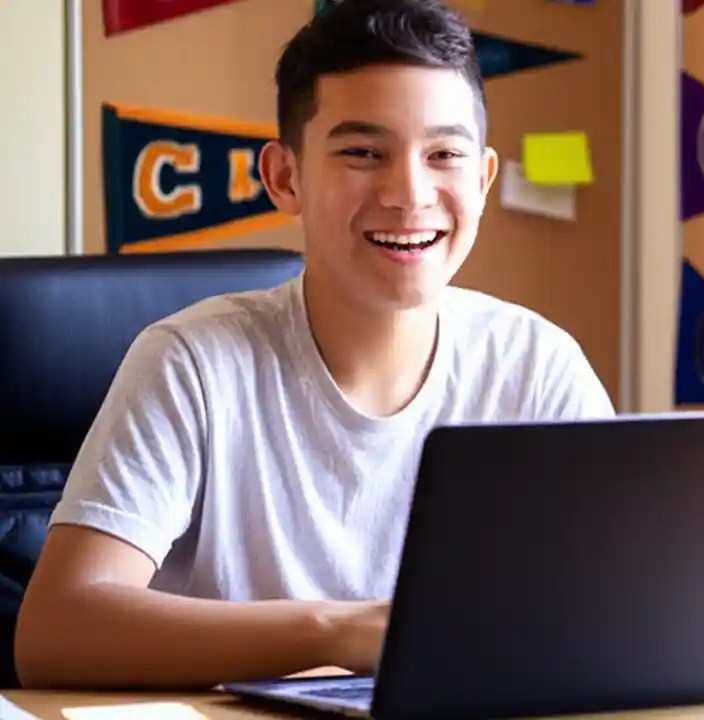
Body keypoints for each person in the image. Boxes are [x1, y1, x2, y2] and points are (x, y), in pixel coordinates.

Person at [14, 0, 613, 690]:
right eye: (363, 153)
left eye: (443, 155)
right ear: (284, 177)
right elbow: (57, 631)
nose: (409, 194)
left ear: (480, 180)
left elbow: (614, 611)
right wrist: (339, 633)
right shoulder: (191, 363)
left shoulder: (538, 367)